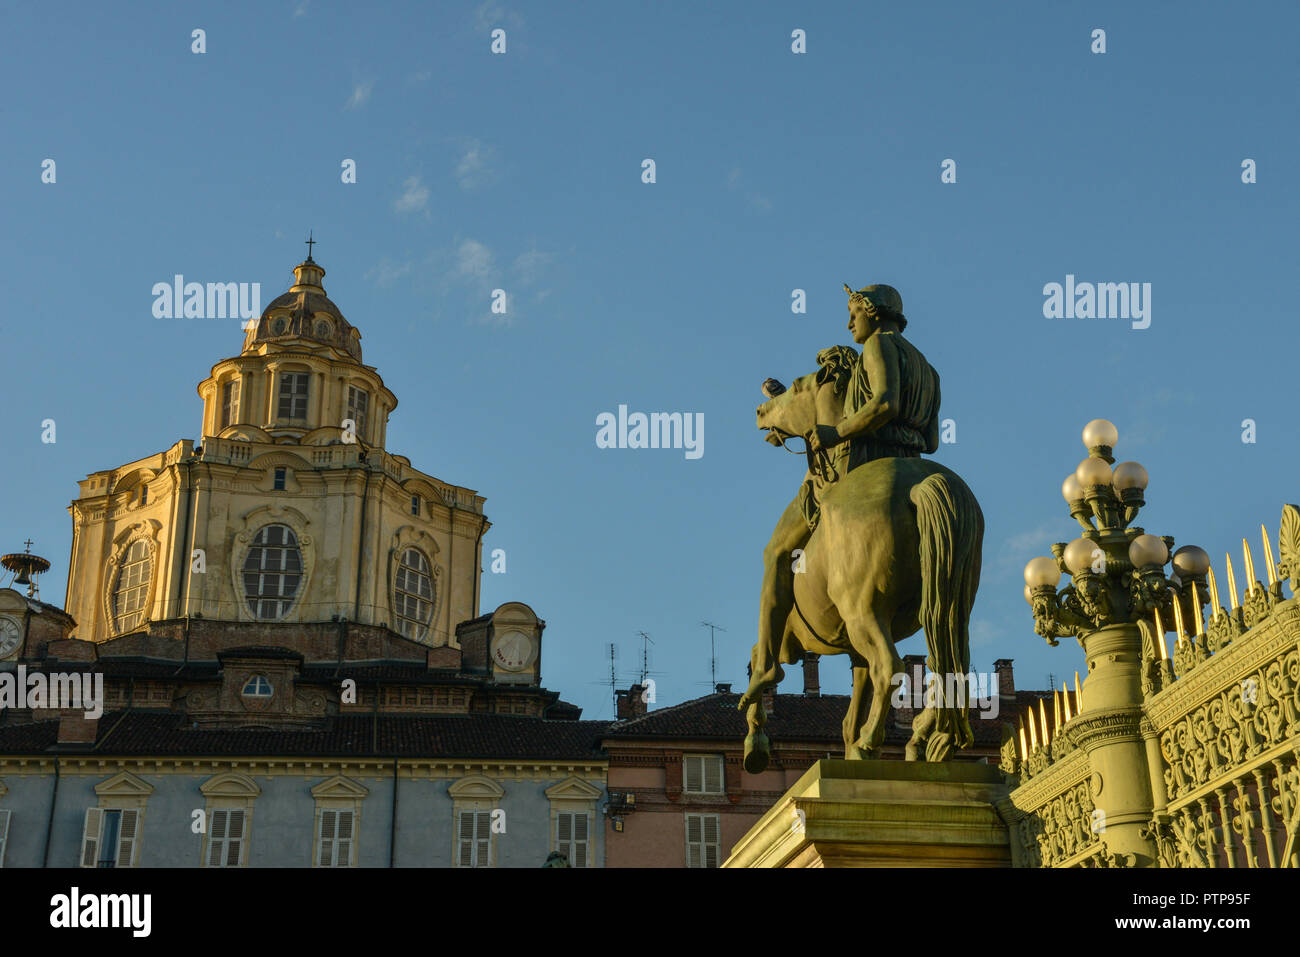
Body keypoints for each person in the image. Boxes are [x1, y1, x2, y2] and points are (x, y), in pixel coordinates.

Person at [743, 284, 942, 702]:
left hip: (860, 466)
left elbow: (883, 404)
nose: (850, 321)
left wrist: (836, 431)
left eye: (855, 312)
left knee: (776, 554)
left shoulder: (877, 347)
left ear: (873, 312)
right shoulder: (928, 368)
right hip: (915, 463)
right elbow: (933, 440)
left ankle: (766, 665)